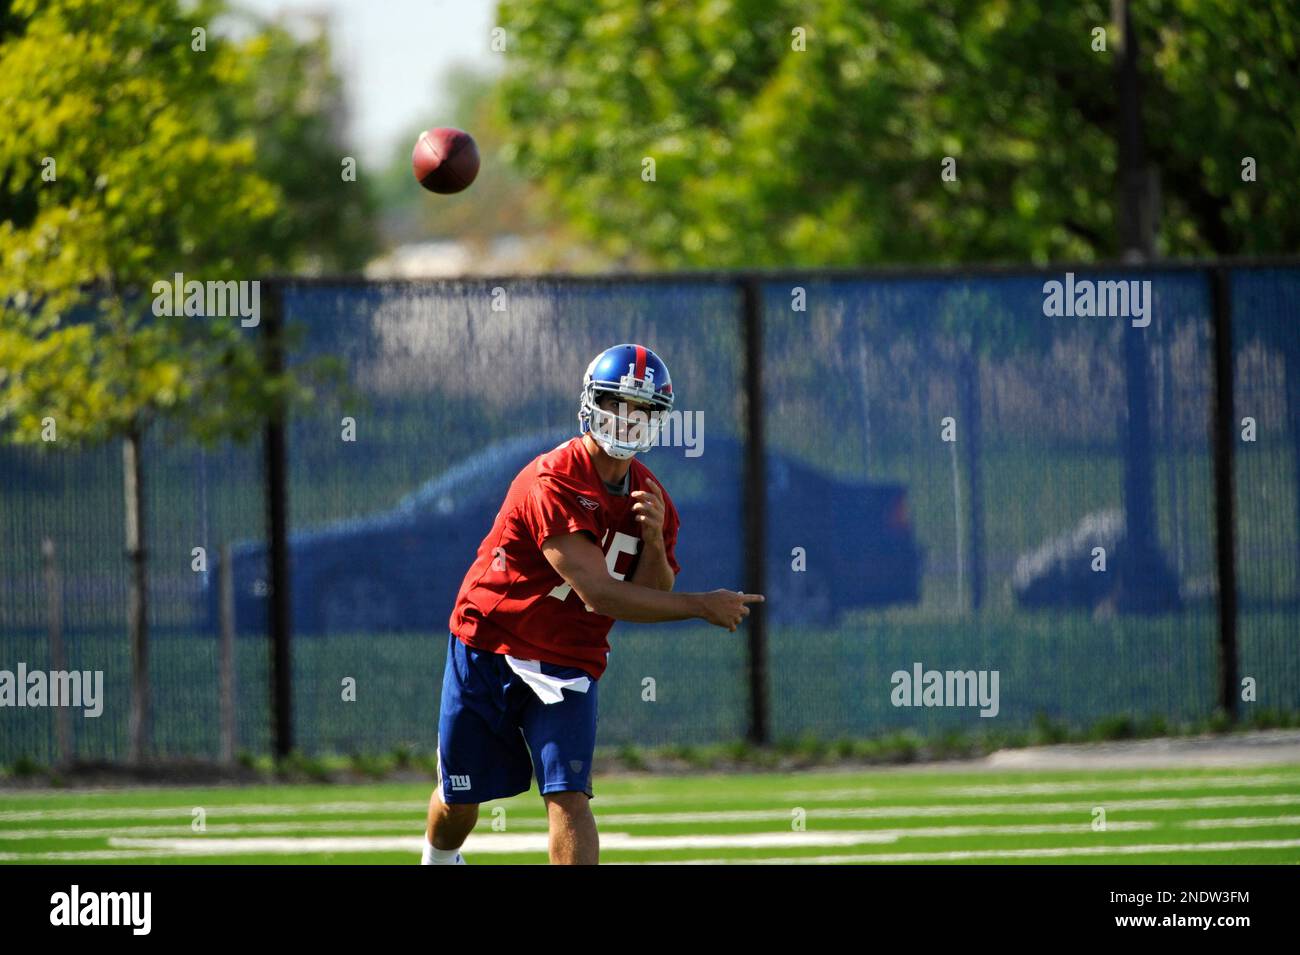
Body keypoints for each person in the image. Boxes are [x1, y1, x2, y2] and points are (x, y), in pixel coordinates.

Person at [421, 343, 763, 865]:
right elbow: (599, 593)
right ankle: (439, 859)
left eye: (642, 412)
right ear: (591, 403)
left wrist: (652, 544)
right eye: (618, 406)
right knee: (461, 796)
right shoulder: (552, 478)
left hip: (568, 658)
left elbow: (651, 592)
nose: (629, 422)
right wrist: (702, 605)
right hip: (491, 640)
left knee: (568, 794)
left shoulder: (653, 499)